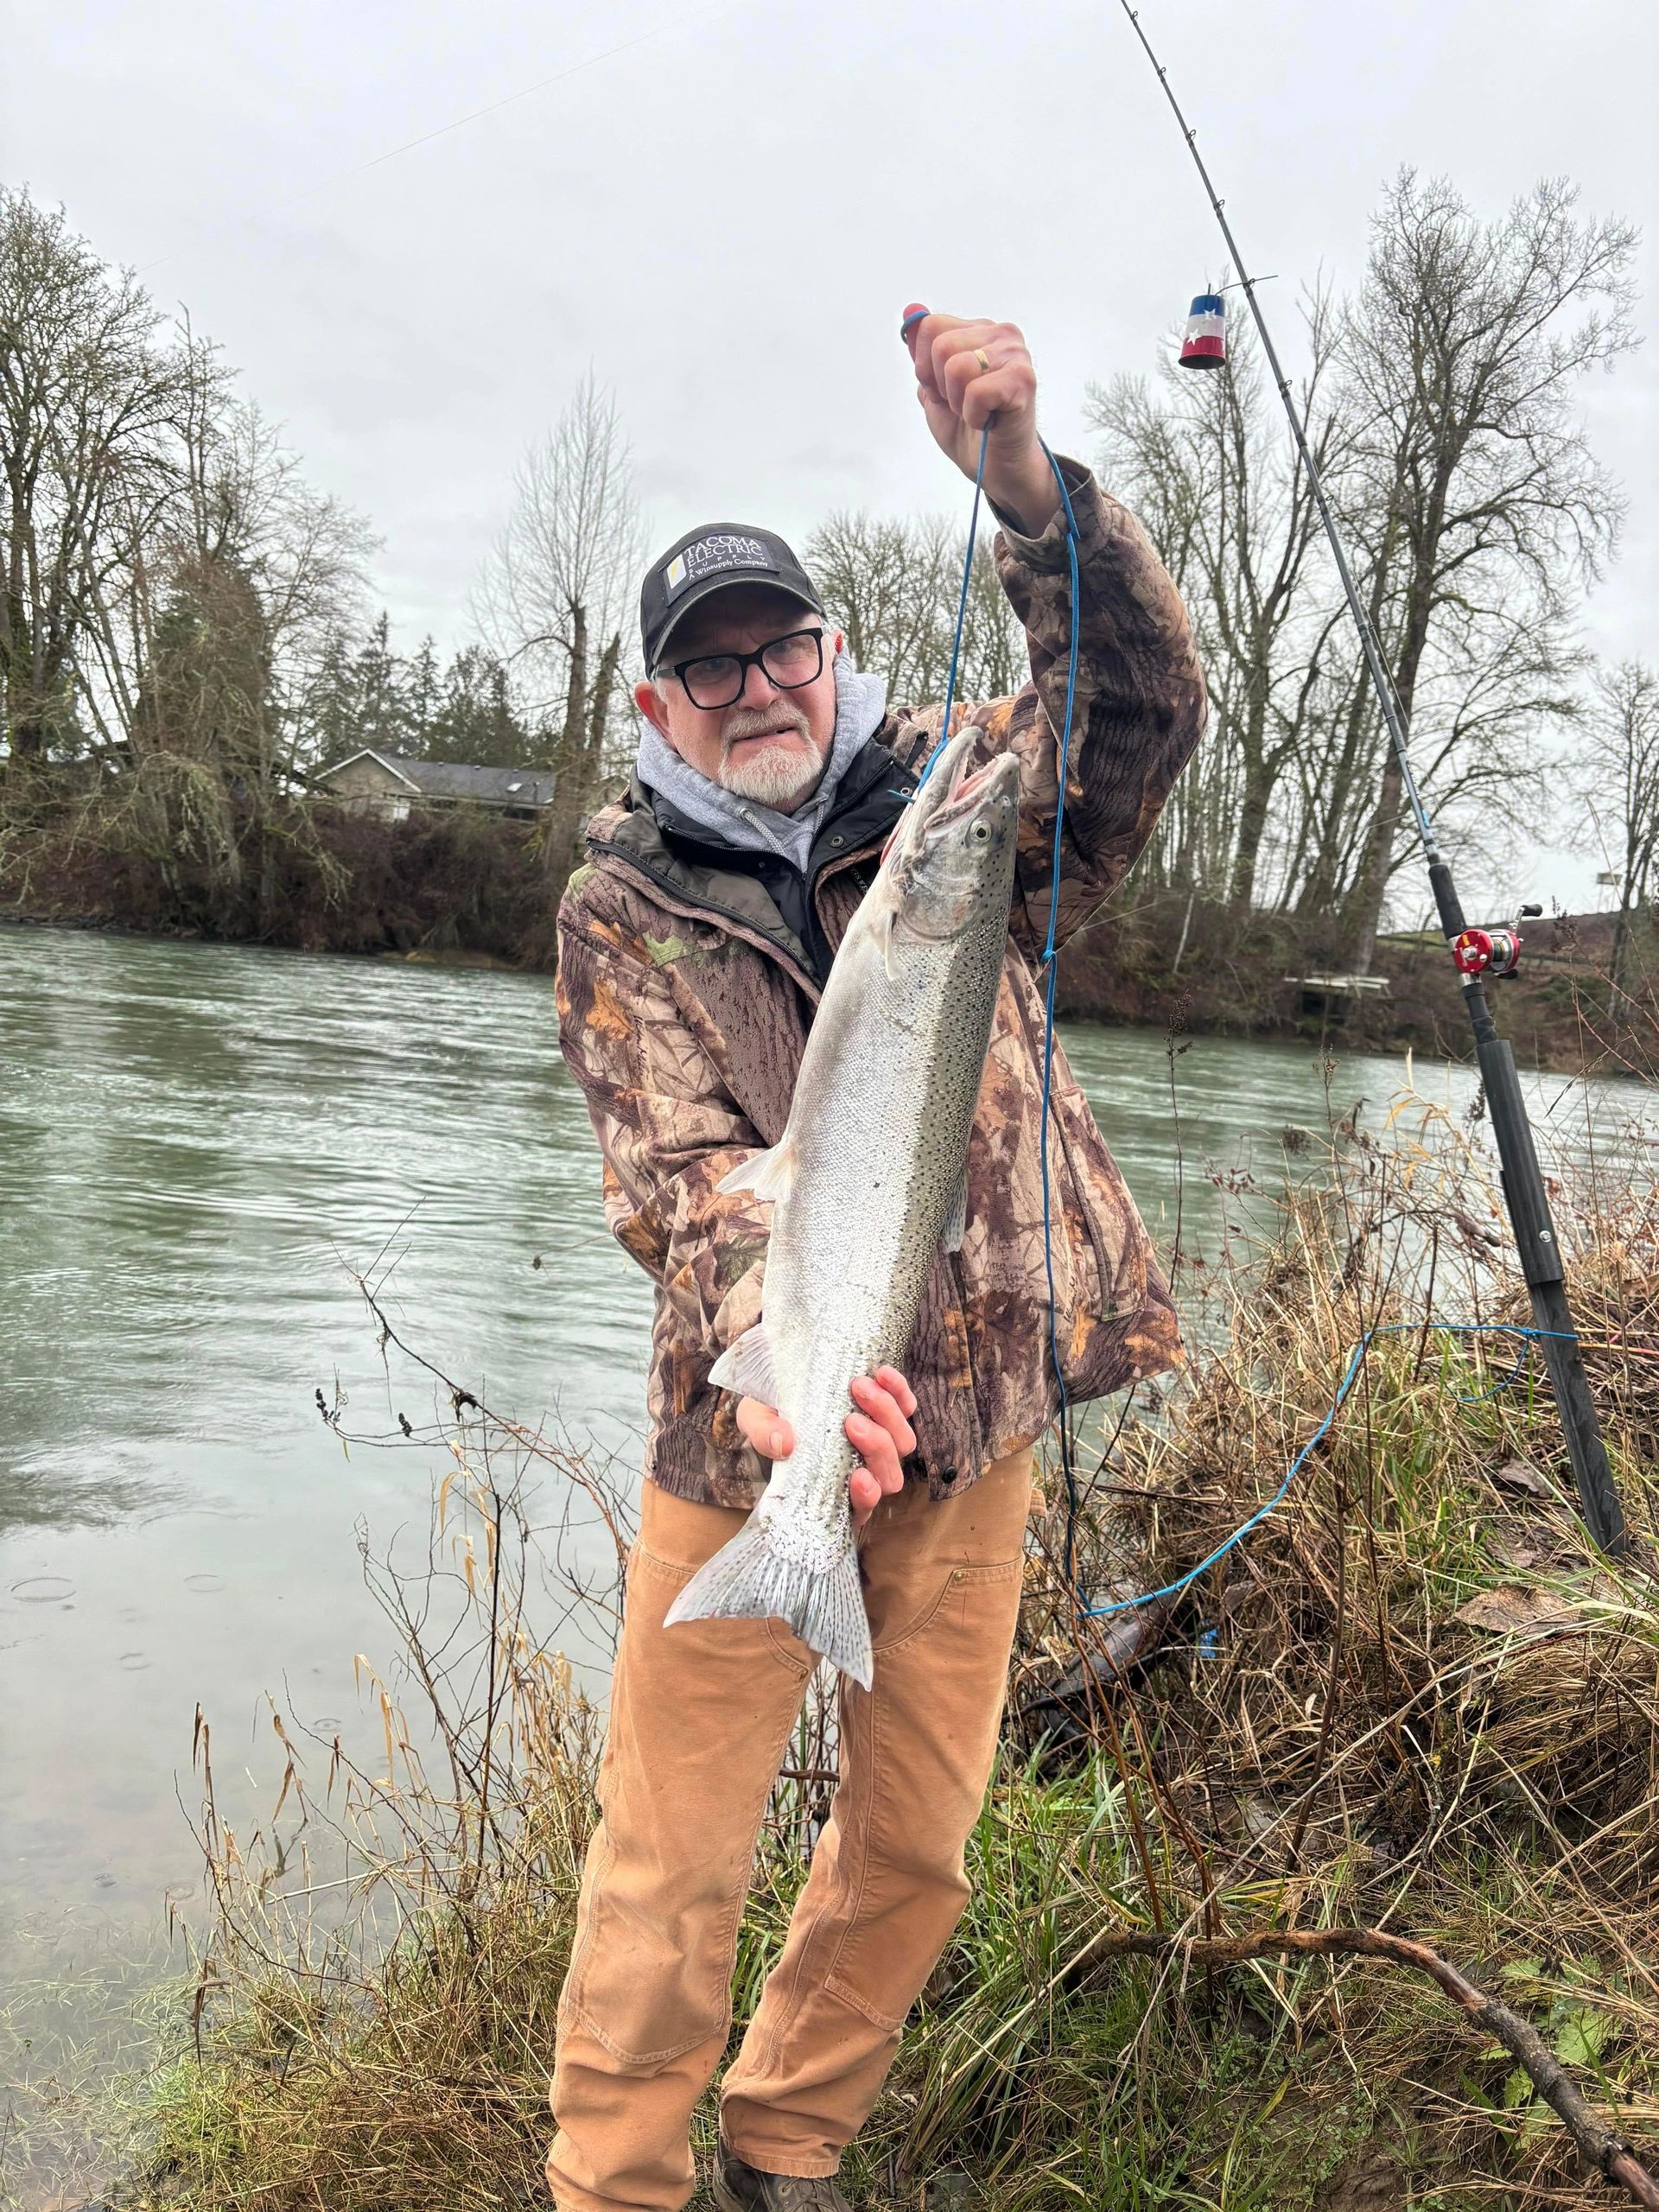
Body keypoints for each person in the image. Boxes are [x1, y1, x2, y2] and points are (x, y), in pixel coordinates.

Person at [550, 310, 1206, 2212]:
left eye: (782, 643)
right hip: (750, 1449)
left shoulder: (959, 800)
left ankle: (790, 2139)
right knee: (671, 1865)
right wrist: (790, 1372)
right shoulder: (621, 909)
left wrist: (1024, 486)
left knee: (916, 1842)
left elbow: (1138, 712)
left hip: (975, 1418)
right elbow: (678, 1189)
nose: (757, 682)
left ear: (830, 651)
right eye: (710, 667)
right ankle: (614, 2184)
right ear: (662, 710)